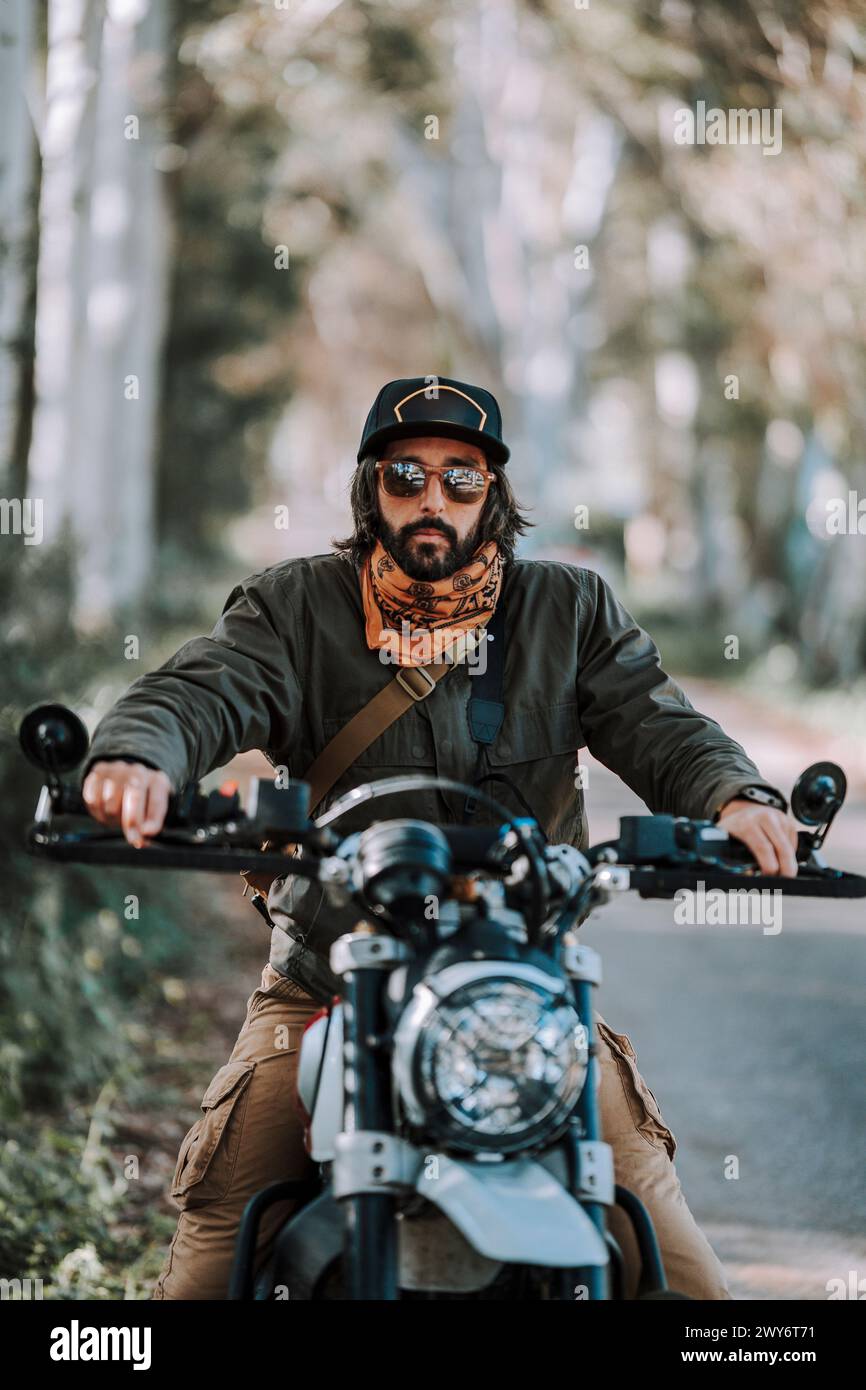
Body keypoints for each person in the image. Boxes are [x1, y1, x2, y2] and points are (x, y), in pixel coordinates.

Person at [81, 375, 798, 1300]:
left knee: (662, 1236)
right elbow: (206, 688)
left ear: (492, 496)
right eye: (406, 475)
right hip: (327, 986)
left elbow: (657, 722)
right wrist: (139, 755)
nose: (433, 500)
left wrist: (735, 796)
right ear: (369, 488)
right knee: (220, 1229)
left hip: (518, 998)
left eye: (462, 480)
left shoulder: (568, 612)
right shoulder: (293, 609)